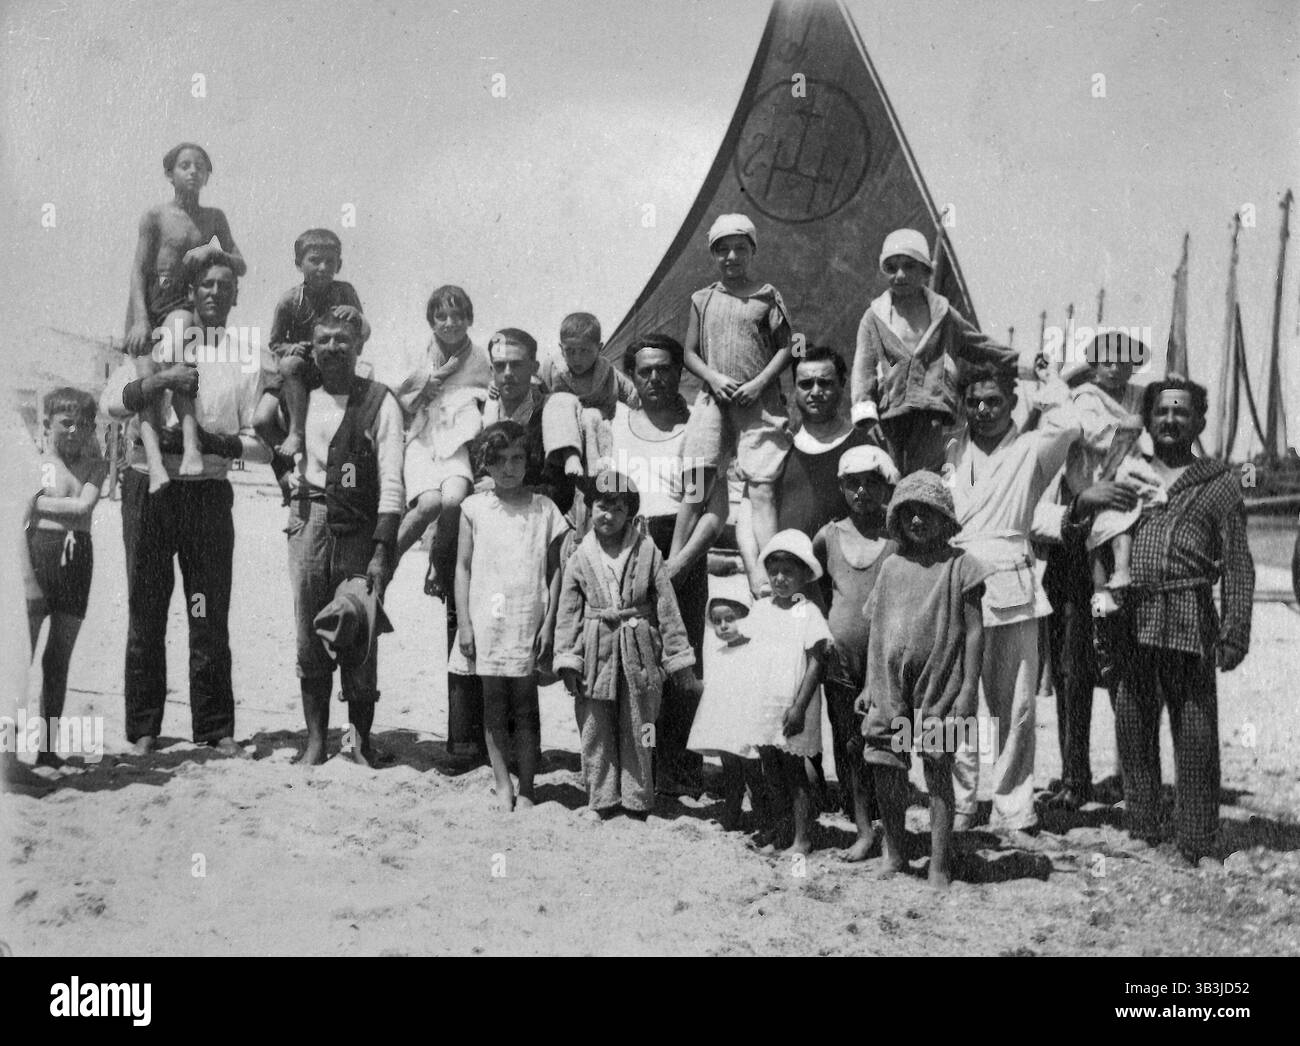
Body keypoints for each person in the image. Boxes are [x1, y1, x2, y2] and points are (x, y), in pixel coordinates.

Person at [101, 259, 270, 756]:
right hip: (148, 488)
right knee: (147, 611)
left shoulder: (245, 359)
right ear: (191, 292)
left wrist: (217, 442)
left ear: (237, 296)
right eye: (207, 285)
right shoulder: (157, 341)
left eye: (226, 286)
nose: (216, 293)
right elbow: (111, 404)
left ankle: (216, 727)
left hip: (208, 493)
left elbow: (261, 444)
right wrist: (155, 384)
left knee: (208, 612)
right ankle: (144, 727)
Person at [1107, 377, 1254, 865]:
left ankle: (1195, 838)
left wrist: (1235, 631)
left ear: (1200, 422)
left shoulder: (1220, 483)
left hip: (1190, 614)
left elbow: (1237, 562)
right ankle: (1144, 825)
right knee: (1132, 718)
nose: (1171, 420)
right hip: (1131, 613)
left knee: (1194, 727)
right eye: (1162, 412)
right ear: (1148, 420)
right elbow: (1100, 534)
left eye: (1181, 413)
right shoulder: (1127, 474)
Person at [946, 357, 1081, 841]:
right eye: (974, 401)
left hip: (1011, 585)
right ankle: (960, 802)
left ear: (1012, 403)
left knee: (1015, 705)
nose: (983, 410)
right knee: (952, 704)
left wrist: (1045, 379)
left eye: (994, 401)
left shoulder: (1031, 449)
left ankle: (1014, 805)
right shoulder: (948, 448)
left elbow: (1069, 423)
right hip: (953, 582)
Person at [434, 329, 584, 759]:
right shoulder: (480, 409)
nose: (506, 372)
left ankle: (519, 754)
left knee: (518, 647)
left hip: (527, 538)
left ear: (534, 367)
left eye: (516, 364)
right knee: (467, 637)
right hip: (478, 541)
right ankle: (466, 747)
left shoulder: (548, 413)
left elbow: (558, 485)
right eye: (499, 363)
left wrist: (503, 486)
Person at [277, 311, 402, 767]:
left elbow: (392, 481)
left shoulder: (380, 401)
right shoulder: (301, 399)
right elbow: (268, 435)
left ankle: (361, 741)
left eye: (343, 340)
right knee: (310, 629)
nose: (333, 348)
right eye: (323, 341)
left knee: (358, 628)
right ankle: (315, 742)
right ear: (313, 348)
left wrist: (382, 550)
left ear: (359, 346)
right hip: (309, 521)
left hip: (360, 527)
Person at [607, 334, 726, 797]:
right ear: (632, 376)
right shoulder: (616, 425)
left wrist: (677, 564)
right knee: (632, 657)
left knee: (681, 659)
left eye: (664, 369)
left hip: (682, 549)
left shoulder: (702, 423)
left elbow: (714, 512)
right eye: (644, 370)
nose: (655, 378)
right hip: (627, 544)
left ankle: (678, 768)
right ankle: (634, 766)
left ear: (680, 373)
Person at [858, 473, 989, 889]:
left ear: (944, 518)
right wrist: (868, 684)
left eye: (927, 512)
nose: (917, 520)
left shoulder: (961, 566)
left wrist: (968, 689)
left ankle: (939, 862)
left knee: (937, 769)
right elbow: (877, 632)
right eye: (909, 512)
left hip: (941, 686)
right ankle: (894, 850)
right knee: (888, 765)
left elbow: (974, 632)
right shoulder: (892, 566)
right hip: (892, 689)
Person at [1041, 330, 1145, 808]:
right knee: (1073, 665)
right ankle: (1074, 774)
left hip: (1112, 537)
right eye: (1108, 361)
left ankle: (1132, 772)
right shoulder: (1076, 405)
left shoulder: (1137, 408)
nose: (1117, 370)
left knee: (1121, 659)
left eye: (1125, 362)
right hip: (1072, 540)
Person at [554, 471, 697, 818]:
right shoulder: (579, 555)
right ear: (589, 508)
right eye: (601, 507)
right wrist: (568, 660)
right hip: (594, 648)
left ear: (629, 514)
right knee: (595, 725)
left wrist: (678, 660)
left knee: (641, 725)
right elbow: (569, 611)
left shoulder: (647, 550)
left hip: (639, 648)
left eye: (617, 509)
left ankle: (637, 798)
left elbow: (666, 606)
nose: (608, 516)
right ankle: (602, 798)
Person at [452, 421, 570, 811]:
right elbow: (463, 568)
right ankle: (502, 783)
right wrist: (465, 625)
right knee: (493, 705)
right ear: (486, 464)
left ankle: (529, 787)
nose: (509, 468)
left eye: (517, 458)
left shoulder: (545, 509)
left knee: (525, 705)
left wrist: (550, 622)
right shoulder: (474, 508)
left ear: (529, 460)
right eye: (499, 460)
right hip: (487, 622)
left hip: (527, 621)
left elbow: (556, 572)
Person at [674, 213, 794, 583]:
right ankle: (673, 561)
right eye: (722, 249)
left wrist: (759, 383)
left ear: (752, 251)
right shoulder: (703, 299)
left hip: (757, 403)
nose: (731, 256)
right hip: (714, 399)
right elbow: (689, 352)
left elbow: (790, 347)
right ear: (713, 254)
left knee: (759, 489)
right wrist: (712, 376)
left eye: (740, 248)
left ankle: (769, 573)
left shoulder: (767, 296)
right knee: (697, 480)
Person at [123, 142, 246, 492]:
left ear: (208, 176)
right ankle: (155, 462)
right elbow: (138, 270)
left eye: (200, 167)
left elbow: (241, 264)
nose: (193, 171)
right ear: (169, 174)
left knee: (176, 358)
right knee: (147, 378)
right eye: (185, 165)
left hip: (180, 301)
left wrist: (212, 248)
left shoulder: (214, 218)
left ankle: (191, 446)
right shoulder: (155, 216)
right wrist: (140, 319)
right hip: (148, 303)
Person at [850, 228, 1017, 475]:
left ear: (925, 271)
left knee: (928, 479)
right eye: (892, 267)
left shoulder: (942, 313)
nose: (900, 275)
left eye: (909, 266)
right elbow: (863, 369)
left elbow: (976, 345)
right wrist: (866, 413)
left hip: (933, 411)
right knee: (893, 477)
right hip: (891, 414)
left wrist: (1017, 360)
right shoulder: (874, 316)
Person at [737, 344, 880, 597]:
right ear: (794, 389)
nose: (815, 392)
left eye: (824, 383)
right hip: (784, 590)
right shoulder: (777, 445)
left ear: (842, 384)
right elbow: (747, 515)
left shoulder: (864, 446)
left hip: (843, 591)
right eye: (805, 384)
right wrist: (757, 575)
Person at [812, 445, 899, 859]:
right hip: (841, 662)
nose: (862, 491)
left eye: (871, 482)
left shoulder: (897, 537)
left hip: (886, 662)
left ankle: (892, 825)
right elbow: (814, 590)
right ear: (842, 488)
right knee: (849, 743)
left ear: (886, 486)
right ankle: (863, 827)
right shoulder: (828, 536)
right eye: (853, 483)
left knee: (889, 741)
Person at [26, 388, 108, 767]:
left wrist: (42, 503)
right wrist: (53, 505)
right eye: (66, 423)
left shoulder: (95, 465)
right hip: (37, 555)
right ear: (48, 424)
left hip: (77, 562)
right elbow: (28, 501)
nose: (75, 431)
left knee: (58, 659)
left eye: (84, 424)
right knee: (19, 655)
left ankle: (47, 750)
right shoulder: (41, 462)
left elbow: (84, 506)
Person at [390, 286, 491, 570]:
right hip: (422, 436)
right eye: (441, 316)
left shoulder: (478, 357)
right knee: (429, 503)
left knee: (453, 499)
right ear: (431, 321)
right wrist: (425, 382)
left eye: (457, 315)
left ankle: (437, 555)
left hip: (455, 437)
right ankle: (387, 558)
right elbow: (399, 389)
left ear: (469, 318)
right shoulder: (418, 350)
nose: (450, 323)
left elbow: (485, 389)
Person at [254, 228, 370, 463]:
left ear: (339, 264)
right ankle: (292, 445)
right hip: (298, 370)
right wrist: (290, 348)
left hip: (334, 366)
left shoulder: (345, 292)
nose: (323, 268)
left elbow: (364, 333)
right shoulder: (290, 301)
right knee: (262, 419)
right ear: (299, 264)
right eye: (315, 261)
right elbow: (275, 342)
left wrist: (356, 316)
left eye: (330, 261)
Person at [749, 530, 832, 855]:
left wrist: (799, 706)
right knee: (771, 767)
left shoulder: (808, 611)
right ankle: (781, 830)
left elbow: (816, 663)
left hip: (795, 703)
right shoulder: (761, 609)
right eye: (774, 571)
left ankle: (802, 836)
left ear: (803, 575)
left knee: (795, 770)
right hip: (765, 702)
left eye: (789, 572)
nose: (780, 578)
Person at [687, 598, 771, 832]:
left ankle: (763, 820)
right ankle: (731, 815)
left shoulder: (755, 650)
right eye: (717, 621)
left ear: (745, 618)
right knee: (731, 773)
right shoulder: (719, 653)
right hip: (726, 725)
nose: (723, 626)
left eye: (730, 619)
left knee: (754, 773)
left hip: (746, 725)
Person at [540, 312, 639, 470]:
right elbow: (530, 386)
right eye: (570, 351)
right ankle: (571, 457)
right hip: (560, 439)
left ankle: (595, 475)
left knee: (591, 415)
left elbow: (634, 396)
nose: (577, 358)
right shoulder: (552, 368)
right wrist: (495, 388)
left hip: (597, 435)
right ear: (561, 348)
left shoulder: (608, 373)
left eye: (584, 351)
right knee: (560, 400)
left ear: (599, 348)